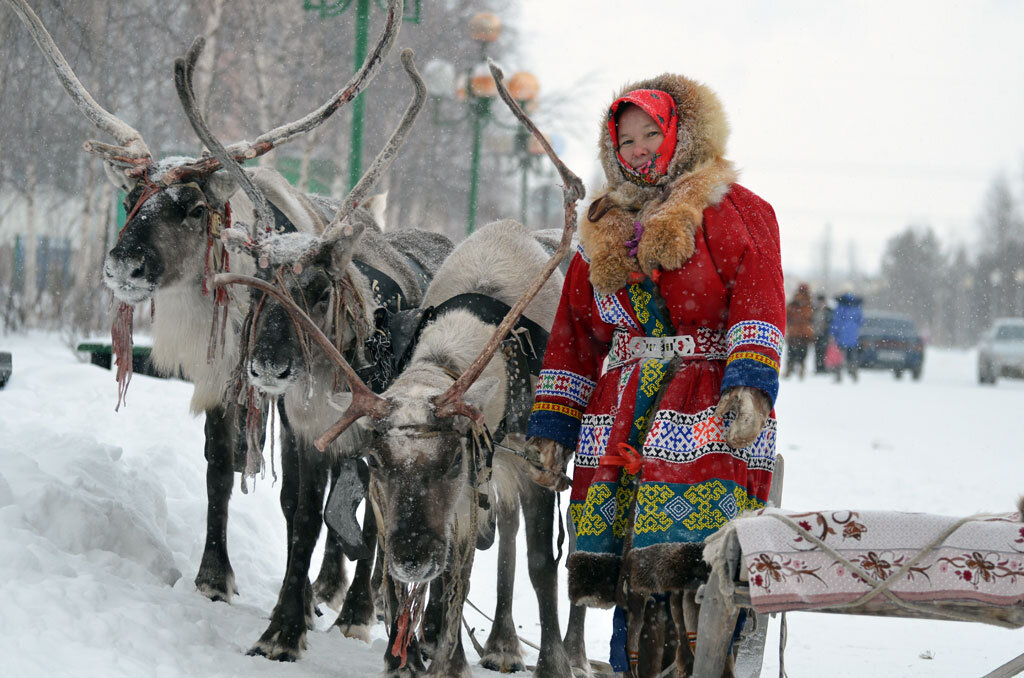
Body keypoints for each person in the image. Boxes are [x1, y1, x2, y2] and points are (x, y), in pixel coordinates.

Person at [525, 74, 784, 675]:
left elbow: (760, 301)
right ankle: (629, 665)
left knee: (697, 565)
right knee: (626, 569)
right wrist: (555, 428)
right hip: (618, 411)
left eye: (651, 134)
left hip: (704, 406)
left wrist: (748, 387)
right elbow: (575, 337)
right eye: (626, 142)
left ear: (683, 136)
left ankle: (702, 664)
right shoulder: (602, 229)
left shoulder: (739, 213)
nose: (638, 150)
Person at [829, 288, 863, 382]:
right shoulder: (857, 308)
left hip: (841, 336)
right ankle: (853, 373)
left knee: (838, 357)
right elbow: (860, 321)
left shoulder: (840, 308)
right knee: (852, 356)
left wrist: (833, 334)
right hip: (853, 337)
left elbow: (835, 322)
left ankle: (838, 374)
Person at [784, 283, 815, 379]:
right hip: (805, 332)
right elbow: (811, 317)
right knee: (803, 353)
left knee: (791, 352)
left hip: (794, 331)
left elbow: (787, 315)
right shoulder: (809, 303)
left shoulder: (793, 303)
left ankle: (789, 369)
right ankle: (801, 369)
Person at [812, 293, 832, 373]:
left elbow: (830, 321)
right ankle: (818, 367)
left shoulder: (828, 310)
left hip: (824, 333)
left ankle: (824, 367)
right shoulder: (814, 310)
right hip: (816, 333)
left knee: (824, 351)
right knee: (817, 351)